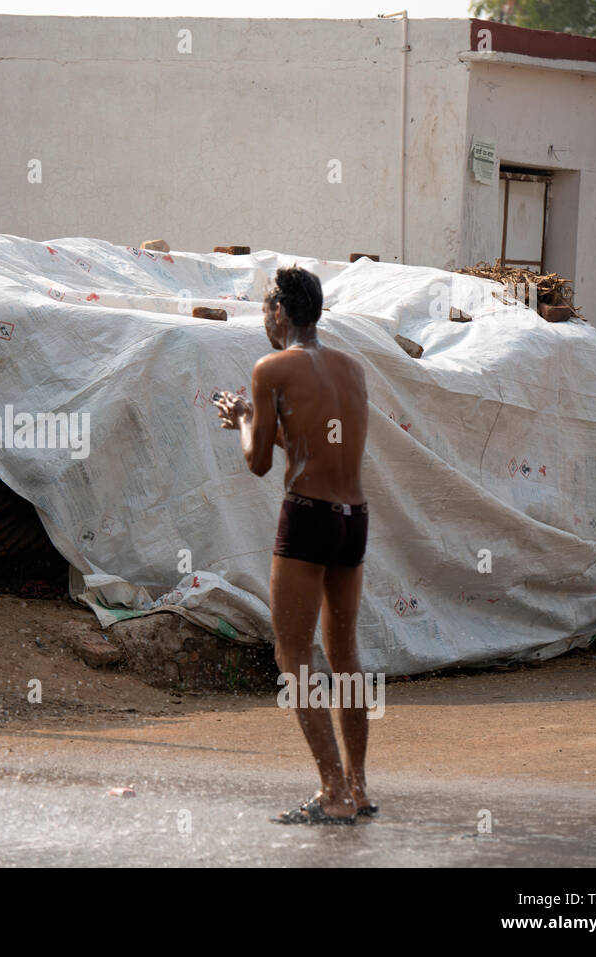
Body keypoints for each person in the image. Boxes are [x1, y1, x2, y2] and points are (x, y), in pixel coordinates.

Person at [215, 265, 374, 825]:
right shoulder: (352, 369)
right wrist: (264, 421)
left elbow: (258, 464)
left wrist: (241, 420)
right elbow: (315, 444)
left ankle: (330, 794)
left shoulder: (270, 367)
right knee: (346, 658)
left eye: (264, 309)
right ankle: (356, 788)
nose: (264, 320)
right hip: (353, 518)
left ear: (280, 312)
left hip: (307, 518)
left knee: (294, 658)